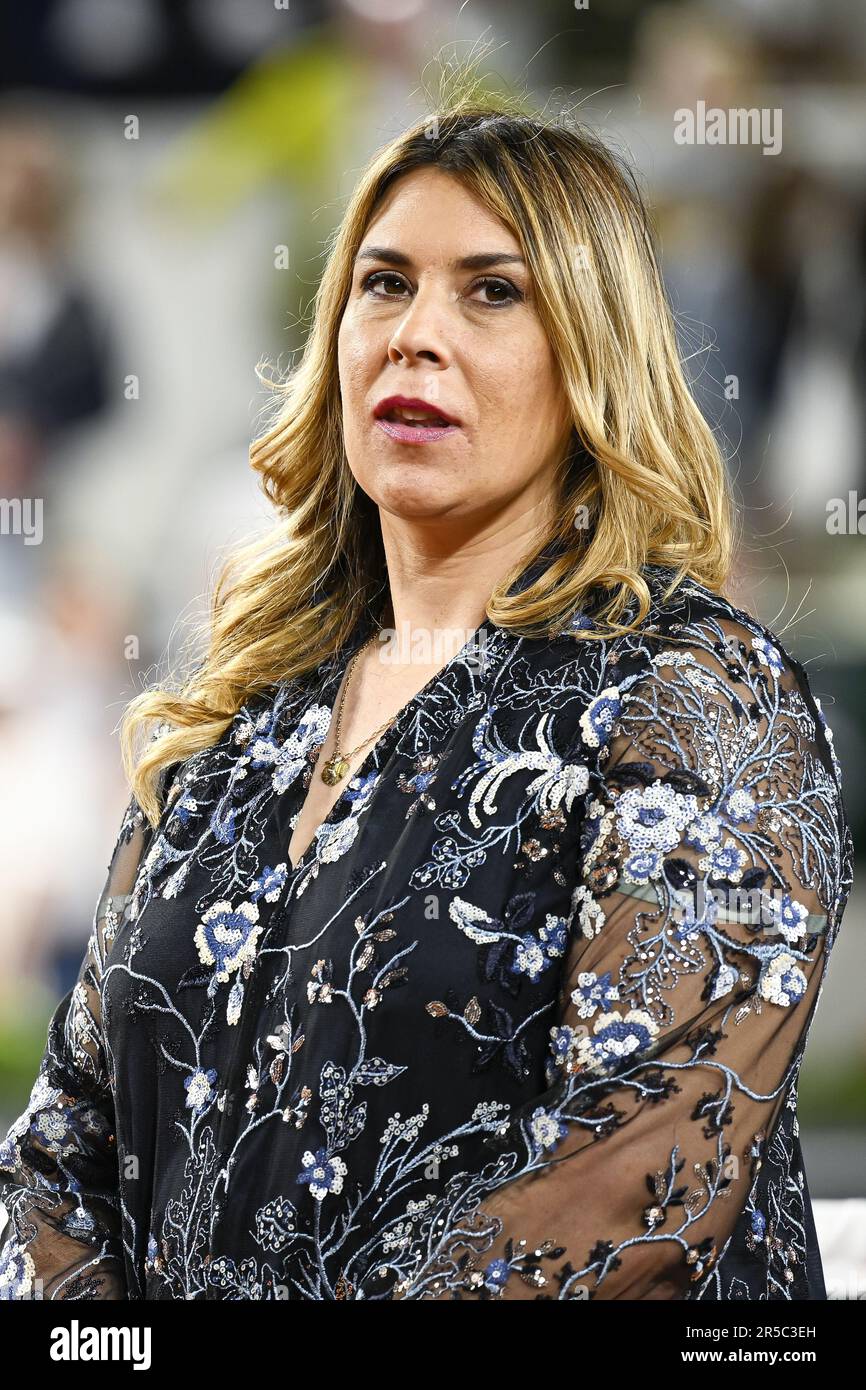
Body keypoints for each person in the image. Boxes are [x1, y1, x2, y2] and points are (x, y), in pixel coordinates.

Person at [0, 94, 854, 1302]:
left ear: (590, 353)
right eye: (383, 283)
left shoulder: (693, 696)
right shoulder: (240, 720)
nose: (414, 334)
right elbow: (60, 1154)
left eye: (491, 291)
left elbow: (628, 1191)